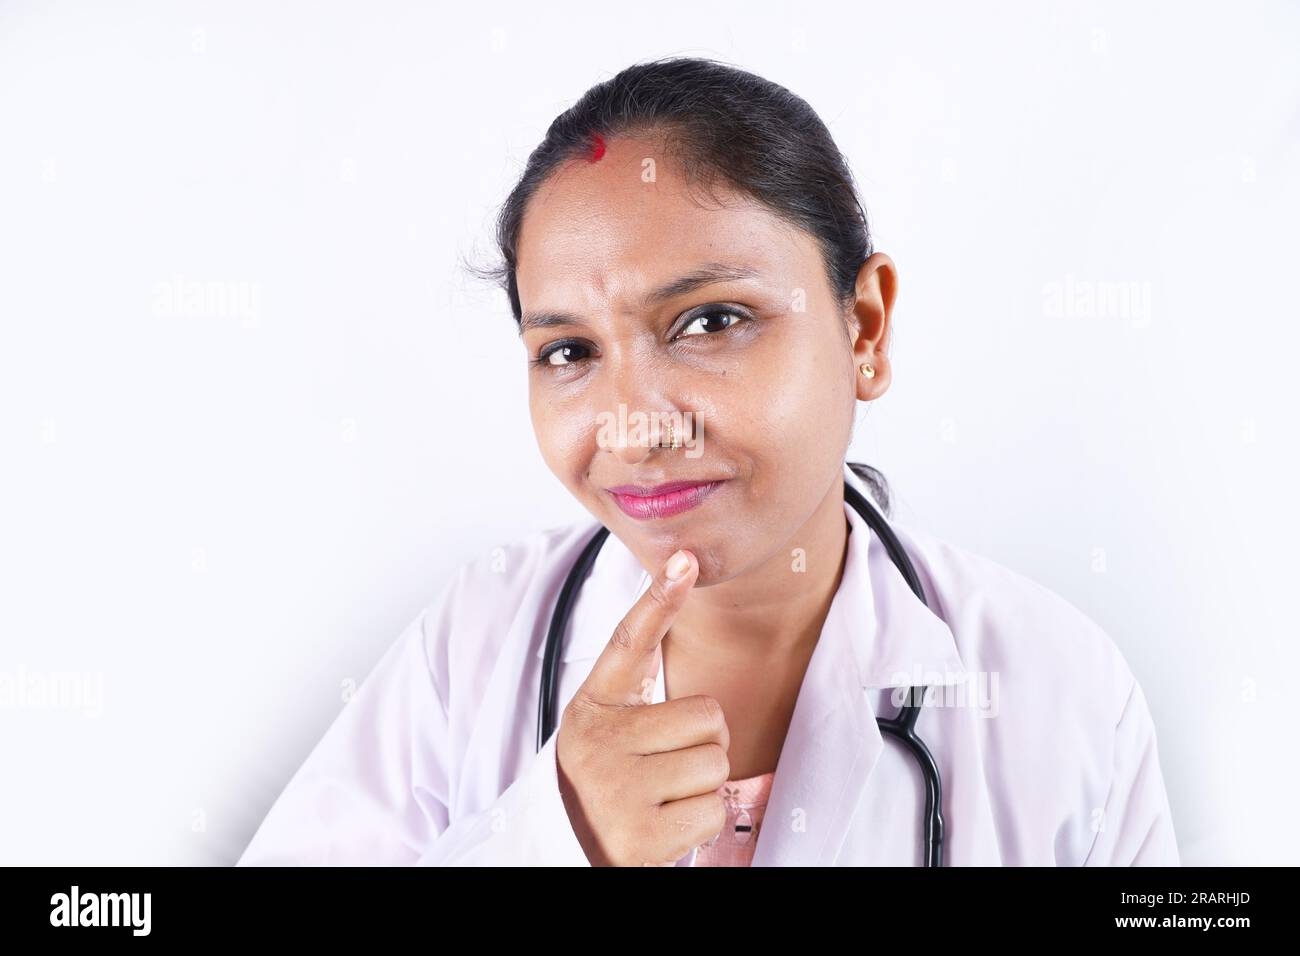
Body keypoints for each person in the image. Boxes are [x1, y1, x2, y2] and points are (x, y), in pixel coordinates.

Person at [236, 56, 1179, 867]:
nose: (634, 426)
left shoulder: (1063, 693)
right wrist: (556, 837)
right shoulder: (475, 645)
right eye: (568, 351)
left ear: (866, 328)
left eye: (712, 322)